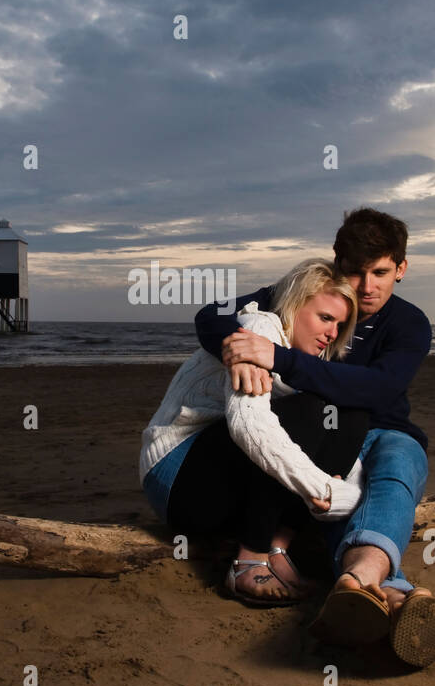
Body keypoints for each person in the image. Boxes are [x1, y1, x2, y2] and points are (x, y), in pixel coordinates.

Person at [194, 208, 435, 667]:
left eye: (380, 272)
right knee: (343, 497)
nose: (366, 287)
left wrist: (278, 357)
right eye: (355, 272)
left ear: (400, 270)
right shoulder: (307, 293)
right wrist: (240, 351)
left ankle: (360, 583)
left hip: (387, 430)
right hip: (322, 437)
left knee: (398, 471)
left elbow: (378, 388)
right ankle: (391, 590)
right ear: (336, 263)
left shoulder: (409, 324)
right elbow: (210, 316)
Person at [139, 258, 372, 606]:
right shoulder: (260, 328)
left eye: (339, 324)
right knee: (310, 412)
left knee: (351, 413)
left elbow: (344, 443)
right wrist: (322, 491)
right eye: (325, 317)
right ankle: (250, 558)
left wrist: (342, 497)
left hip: (222, 491)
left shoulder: (308, 358)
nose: (332, 333)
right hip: (174, 478)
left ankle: (278, 546)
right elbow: (249, 426)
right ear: (294, 305)